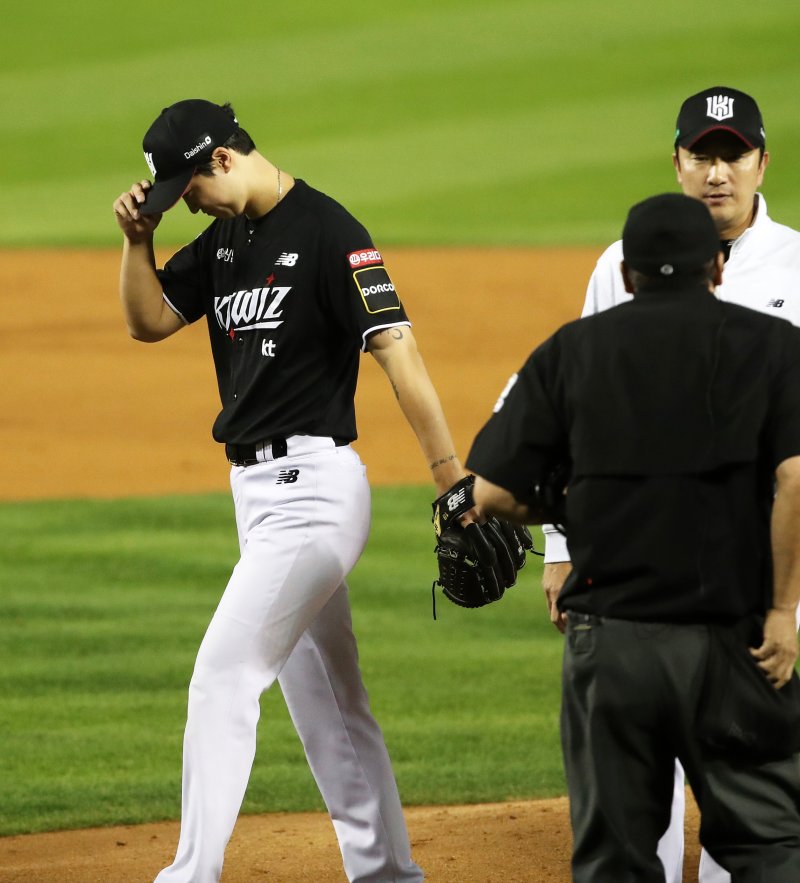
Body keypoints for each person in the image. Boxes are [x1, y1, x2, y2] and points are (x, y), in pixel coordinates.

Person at [111, 98, 481, 883]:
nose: (188, 205)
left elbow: (398, 349)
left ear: (222, 159)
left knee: (221, 678)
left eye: (189, 190)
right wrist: (137, 245)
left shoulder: (329, 230)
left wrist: (450, 476)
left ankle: (189, 875)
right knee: (333, 711)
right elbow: (148, 321)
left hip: (317, 495)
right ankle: (388, 873)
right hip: (260, 497)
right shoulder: (222, 242)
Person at [466, 192, 800, 882]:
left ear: (627, 274)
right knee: (772, 849)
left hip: (611, 643)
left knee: (614, 861)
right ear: (716, 266)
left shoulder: (571, 350)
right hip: (733, 647)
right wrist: (781, 611)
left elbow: (492, 491)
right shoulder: (774, 345)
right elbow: (796, 480)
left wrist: (572, 508)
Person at [541, 86, 800, 883]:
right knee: (642, 800)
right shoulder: (616, 267)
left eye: (732, 154)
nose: (717, 172)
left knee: (748, 800)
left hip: (770, 558)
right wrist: (558, 547)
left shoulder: (797, 262)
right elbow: (572, 419)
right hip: (645, 563)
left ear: (761, 161)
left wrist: (789, 601)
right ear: (678, 162)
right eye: (702, 154)